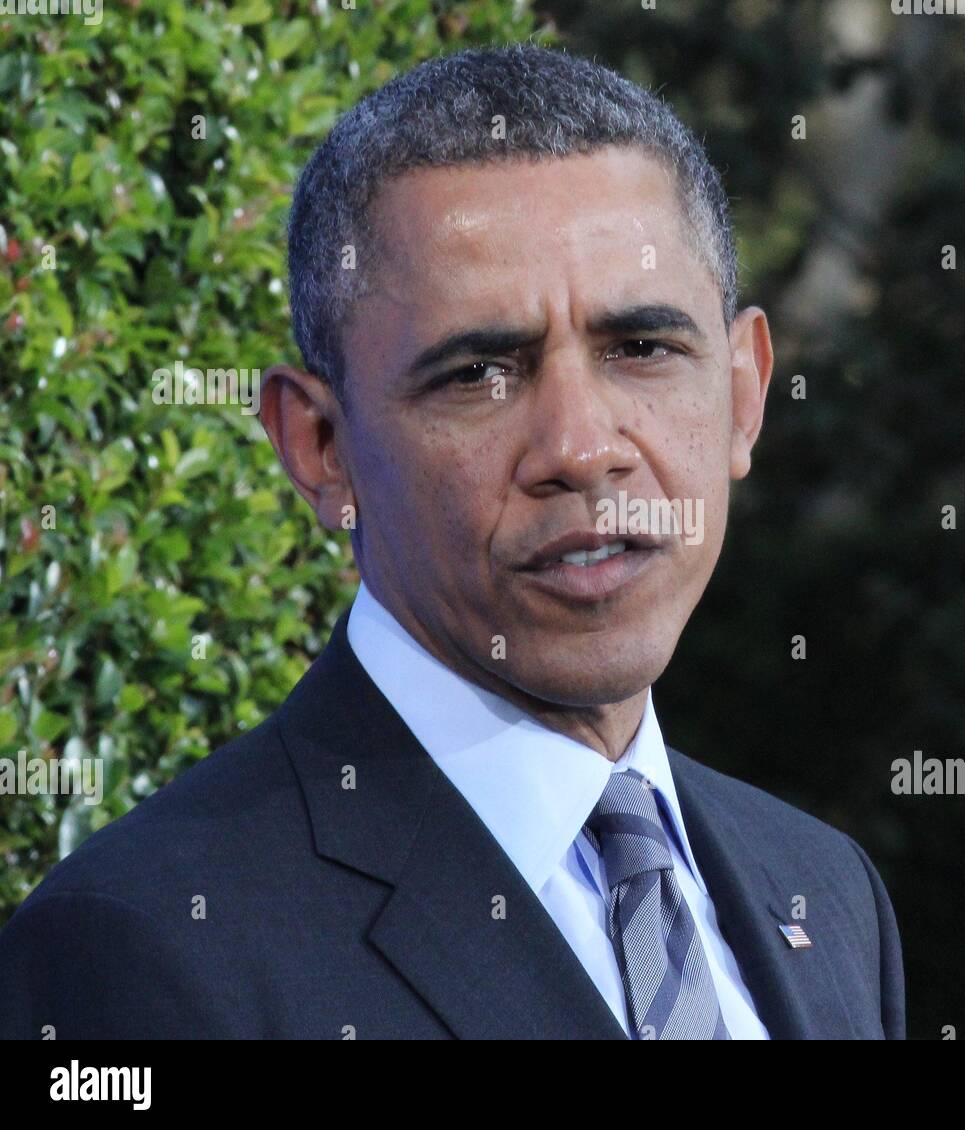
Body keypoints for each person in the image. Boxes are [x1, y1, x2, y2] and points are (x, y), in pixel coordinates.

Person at [0, 43, 904, 1040]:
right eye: (479, 372)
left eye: (641, 348)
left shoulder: (824, 890)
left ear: (742, 393)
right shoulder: (141, 949)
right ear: (320, 446)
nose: (581, 447)